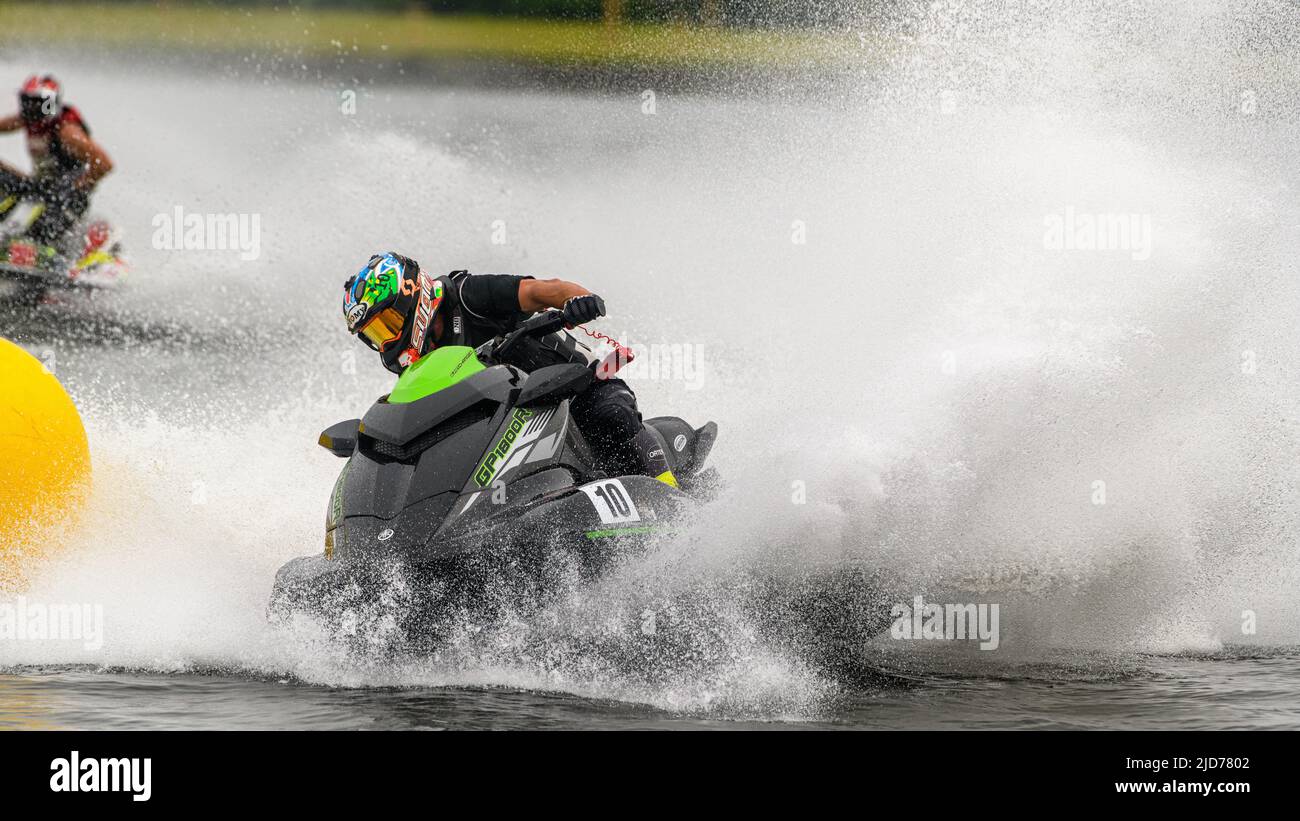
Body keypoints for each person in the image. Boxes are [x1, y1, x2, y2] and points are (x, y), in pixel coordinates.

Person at [343, 252, 677, 486]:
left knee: (612, 414)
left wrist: (580, 300)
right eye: (374, 335)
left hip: (574, 389)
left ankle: (670, 491)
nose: (386, 340)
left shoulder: (470, 295)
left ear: (411, 295)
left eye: (388, 323)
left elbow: (542, 291)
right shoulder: (419, 364)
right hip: (511, 421)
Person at [0, 74, 114, 249]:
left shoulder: (67, 132)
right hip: (40, 186)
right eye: (27, 101)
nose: (31, 107)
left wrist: (78, 185)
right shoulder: (27, 120)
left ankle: (45, 246)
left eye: (37, 103)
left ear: (50, 103)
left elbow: (104, 164)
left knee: (43, 229)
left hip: (66, 196)